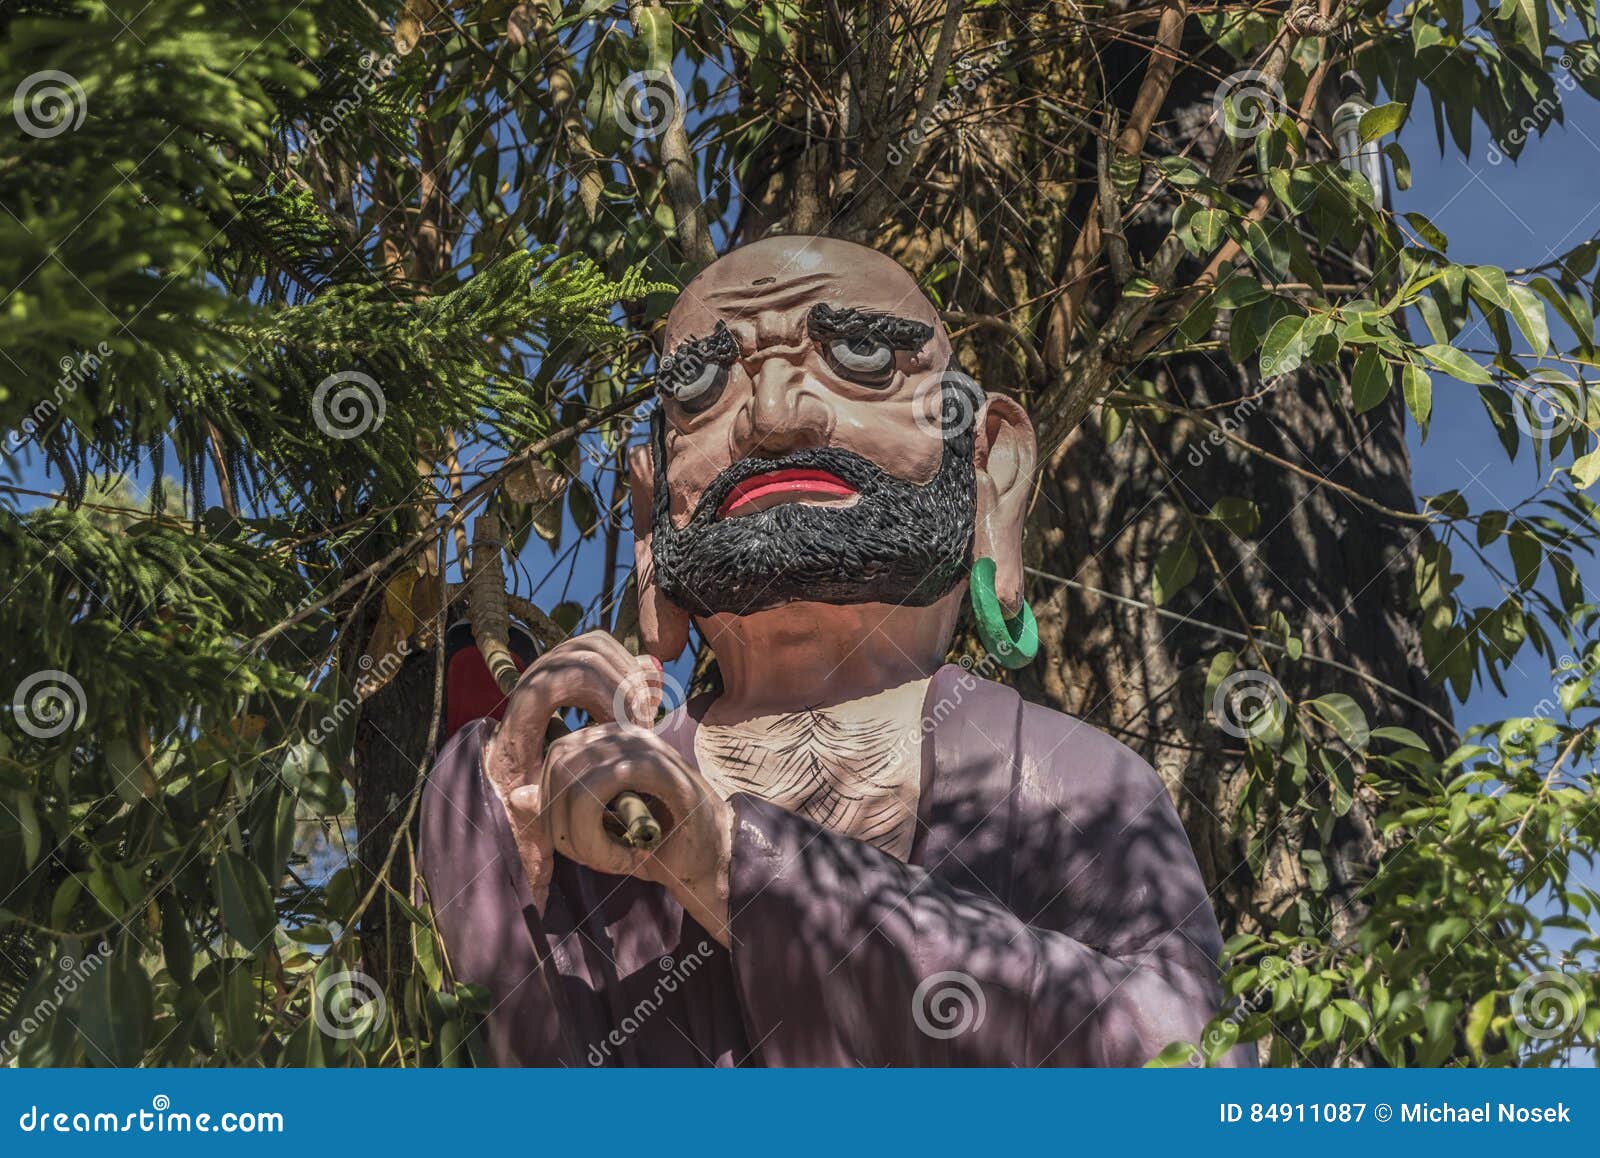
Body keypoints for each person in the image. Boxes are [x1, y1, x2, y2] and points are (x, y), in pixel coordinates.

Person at [419, 235, 1249, 1067]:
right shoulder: (598, 800)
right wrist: (500, 842)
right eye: (702, 388)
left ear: (987, 466)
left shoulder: (1064, 776)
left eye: (860, 356)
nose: (773, 418)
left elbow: (1187, 1071)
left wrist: (732, 861)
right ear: (652, 509)